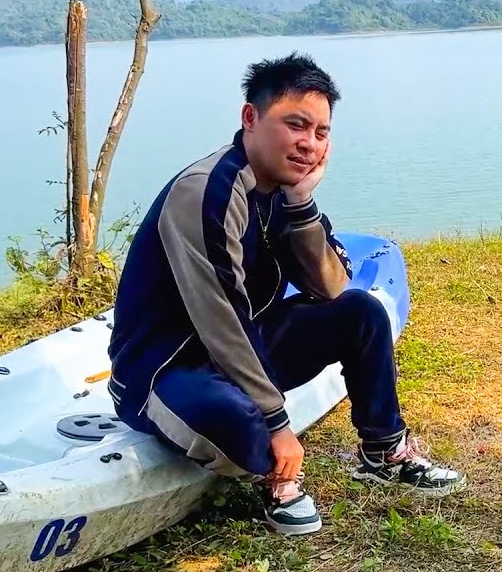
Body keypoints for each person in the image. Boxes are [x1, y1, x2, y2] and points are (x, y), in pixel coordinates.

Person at [107, 53, 465, 536]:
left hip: (245, 351)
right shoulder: (208, 192)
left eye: (321, 133)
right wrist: (277, 423)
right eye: (296, 125)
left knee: (360, 311)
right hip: (167, 370)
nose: (309, 144)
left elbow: (333, 286)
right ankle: (277, 479)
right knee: (236, 419)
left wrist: (301, 203)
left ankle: (384, 450)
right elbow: (222, 318)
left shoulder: (284, 189)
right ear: (250, 118)